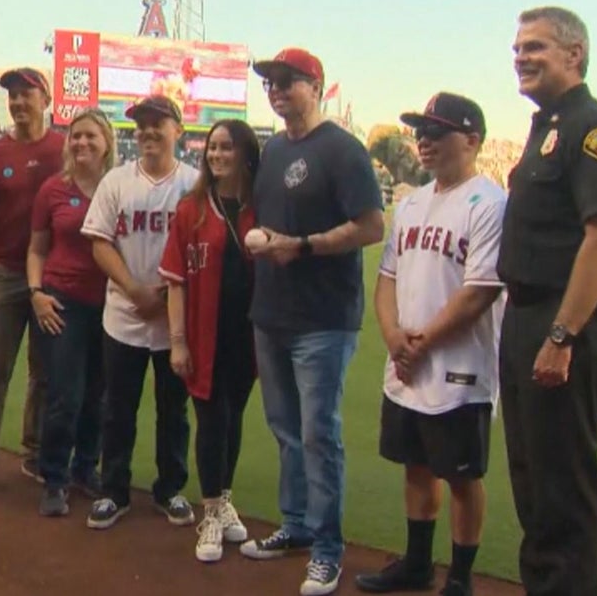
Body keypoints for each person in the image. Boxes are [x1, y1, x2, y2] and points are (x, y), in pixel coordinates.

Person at [498, 6, 597, 596]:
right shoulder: (548, 125)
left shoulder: (595, 129)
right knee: (533, 485)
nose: (521, 58)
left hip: (561, 326)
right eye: (517, 49)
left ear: (574, 54)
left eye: (535, 47)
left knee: (564, 493)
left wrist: (561, 337)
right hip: (525, 317)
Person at [243, 48, 385, 596]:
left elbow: (371, 226)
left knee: (318, 434)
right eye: (270, 83)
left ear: (316, 85)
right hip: (272, 312)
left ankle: (327, 550)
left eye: (287, 81)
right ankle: (297, 525)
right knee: (285, 430)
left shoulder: (343, 150)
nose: (276, 90)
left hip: (323, 319)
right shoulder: (274, 147)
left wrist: (301, 246)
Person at [354, 93, 507, 596]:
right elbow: (386, 277)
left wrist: (420, 344)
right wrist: (394, 337)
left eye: (436, 132)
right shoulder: (413, 201)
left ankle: (460, 578)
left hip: (460, 367)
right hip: (407, 365)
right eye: (421, 131)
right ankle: (418, 564)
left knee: (462, 476)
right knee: (416, 466)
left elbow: (479, 292)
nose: (424, 140)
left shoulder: (489, 203)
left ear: (472, 140)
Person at [80, 95, 198, 531]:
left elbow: (200, 251)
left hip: (175, 320)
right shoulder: (116, 181)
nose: (148, 131)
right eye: (141, 124)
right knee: (118, 409)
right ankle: (114, 490)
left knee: (173, 412)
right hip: (124, 315)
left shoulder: (193, 184)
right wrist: (133, 288)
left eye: (157, 123)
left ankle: (171, 489)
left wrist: (165, 294)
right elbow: (99, 241)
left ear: (177, 130)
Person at [0, 67, 65, 509]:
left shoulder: (65, 147)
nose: (19, 102)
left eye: (27, 94)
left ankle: (35, 452)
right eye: (13, 96)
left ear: (46, 98)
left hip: (53, 276)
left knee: (45, 373)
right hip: (3, 272)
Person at [159, 119, 261, 563]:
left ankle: (224, 499)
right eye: (212, 148)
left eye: (227, 148)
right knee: (211, 418)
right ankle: (212, 512)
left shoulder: (262, 207)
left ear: (245, 154)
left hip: (248, 334)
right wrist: (178, 341)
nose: (217, 155)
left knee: (233, 416)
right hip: (204, 332)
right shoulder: (192, 208)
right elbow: (176, 281)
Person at [28, 108, 116, 517]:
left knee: (98, 396)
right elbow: (37, 248)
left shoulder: (119, 188)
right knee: (65, 394)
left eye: (90, 137)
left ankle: (86, 467)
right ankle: (54, 478)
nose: (81, 143)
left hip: (111, 306)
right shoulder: (53, 189)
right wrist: (36, 293)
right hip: (63, 300)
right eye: (76, 136)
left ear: (106, 144)